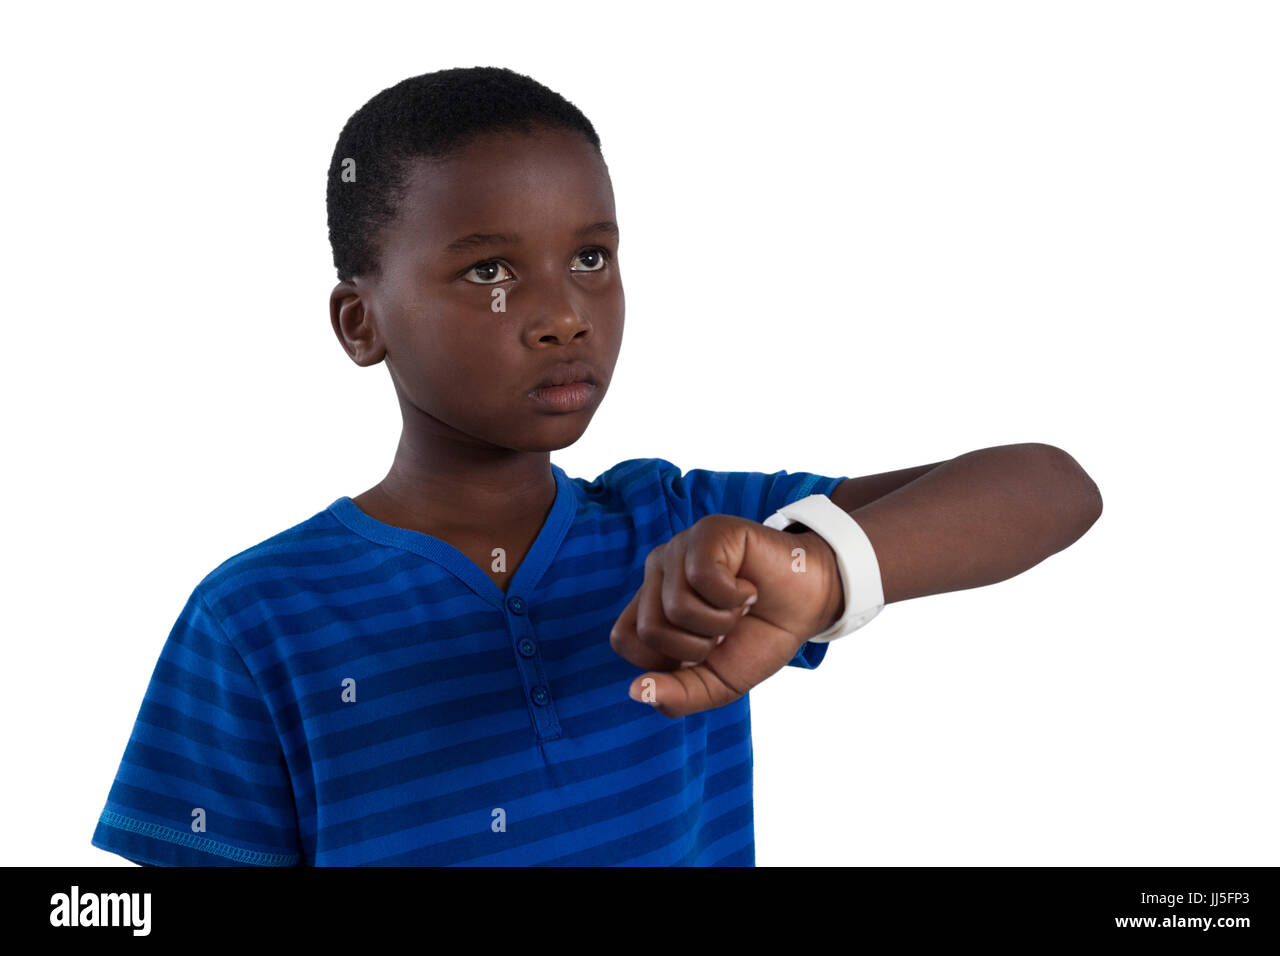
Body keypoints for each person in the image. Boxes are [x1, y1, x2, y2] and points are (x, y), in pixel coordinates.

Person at [91, 66, 1102, 866]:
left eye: (591, 257)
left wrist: (817, 568)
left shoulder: (689, 531)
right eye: (490, 270)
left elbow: (1053, 485)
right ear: (362, 323)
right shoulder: (254, 617)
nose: (566, 312)